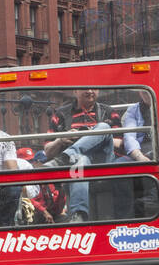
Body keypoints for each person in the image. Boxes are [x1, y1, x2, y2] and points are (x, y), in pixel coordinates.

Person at [43, 87, 116, 220]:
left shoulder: (108, 111)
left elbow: (121, 143)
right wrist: (61, 140)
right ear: (75, 91)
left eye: (93, 87)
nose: (89, 91)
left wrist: (92, 135)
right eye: (84, 88)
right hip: (77, 163)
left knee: (104, 127)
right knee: (81, 161)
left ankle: (65, 157)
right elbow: (47, 151)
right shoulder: (60, 114)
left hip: (103, 162)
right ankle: (79, 215)